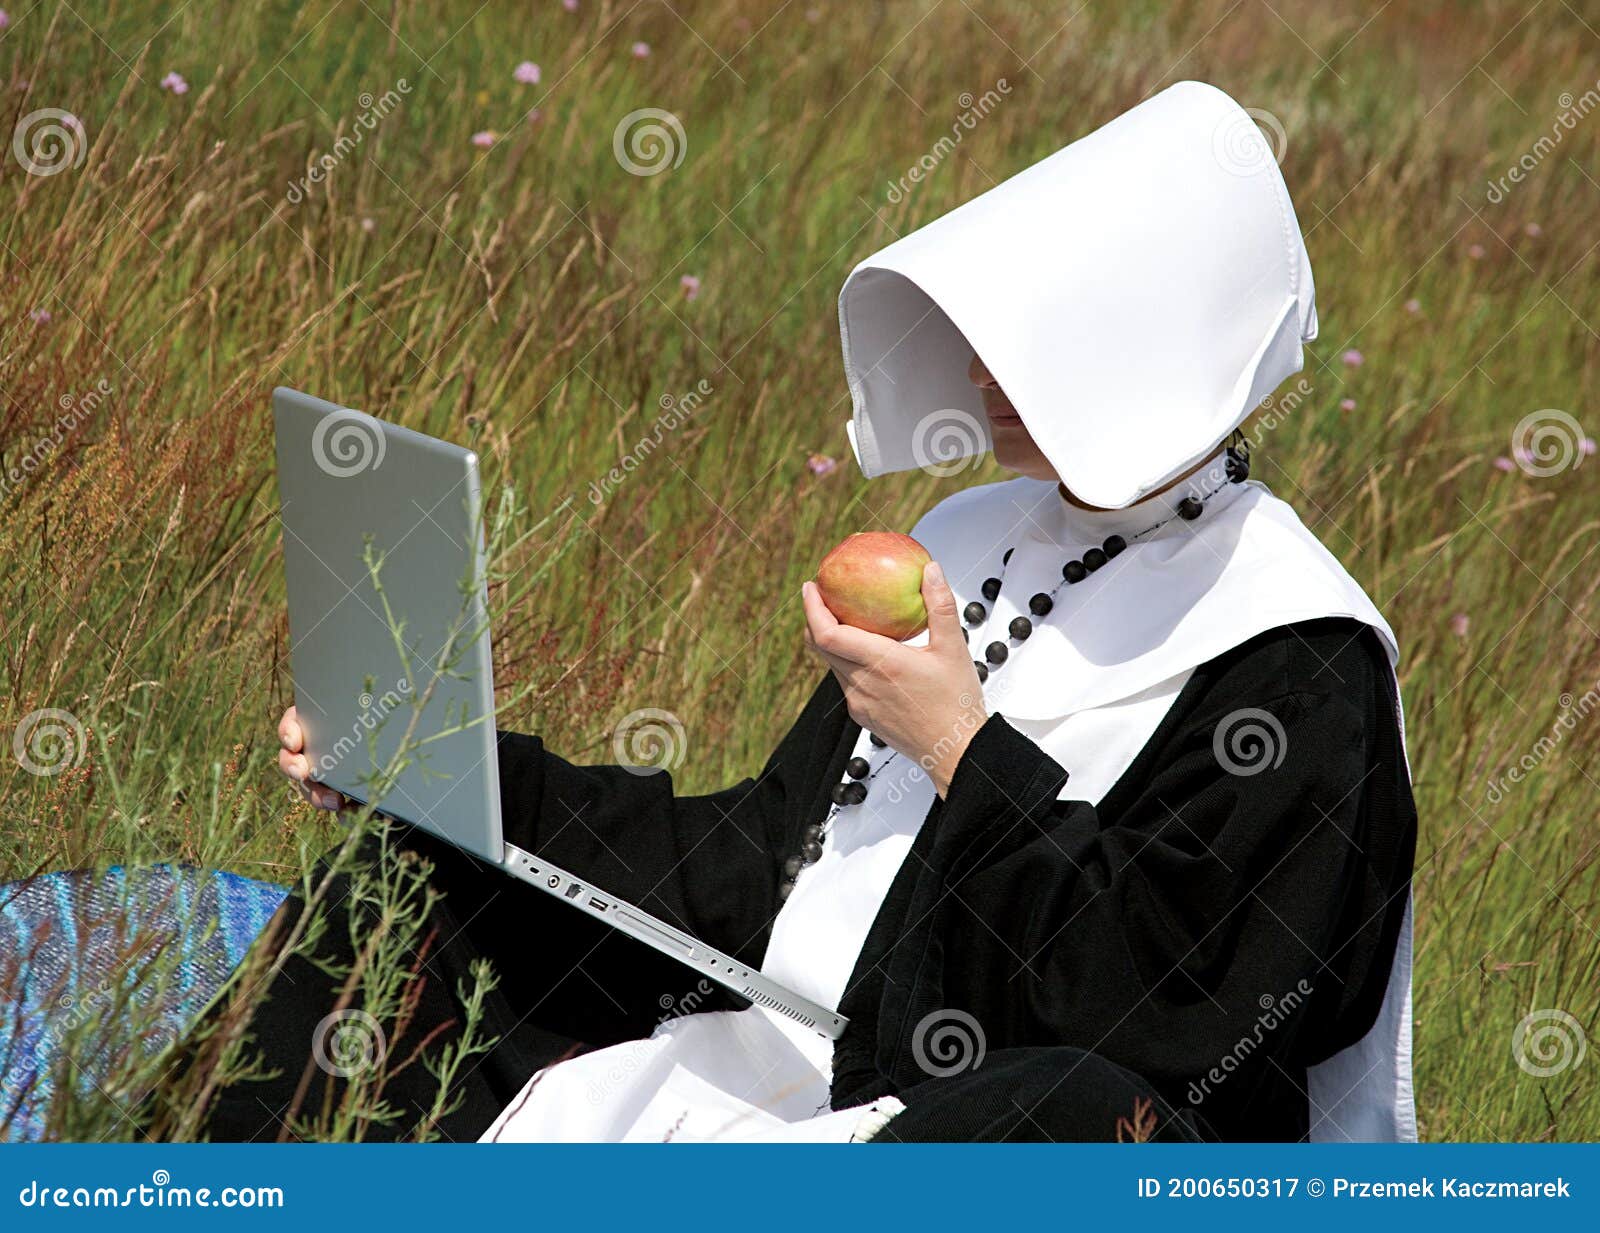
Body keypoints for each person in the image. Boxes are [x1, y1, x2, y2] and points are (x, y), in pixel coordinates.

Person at [221, 82, 1417, 1143]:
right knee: (412, 883)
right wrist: (458, 777)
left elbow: (1170, 1021)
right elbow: (768, 867)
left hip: (995, 1120)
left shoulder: (1295, 657)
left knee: (1053, 1117)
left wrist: (958, 747)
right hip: (798, 1053)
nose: (978, 381)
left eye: (1034, 354)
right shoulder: (970, 539)